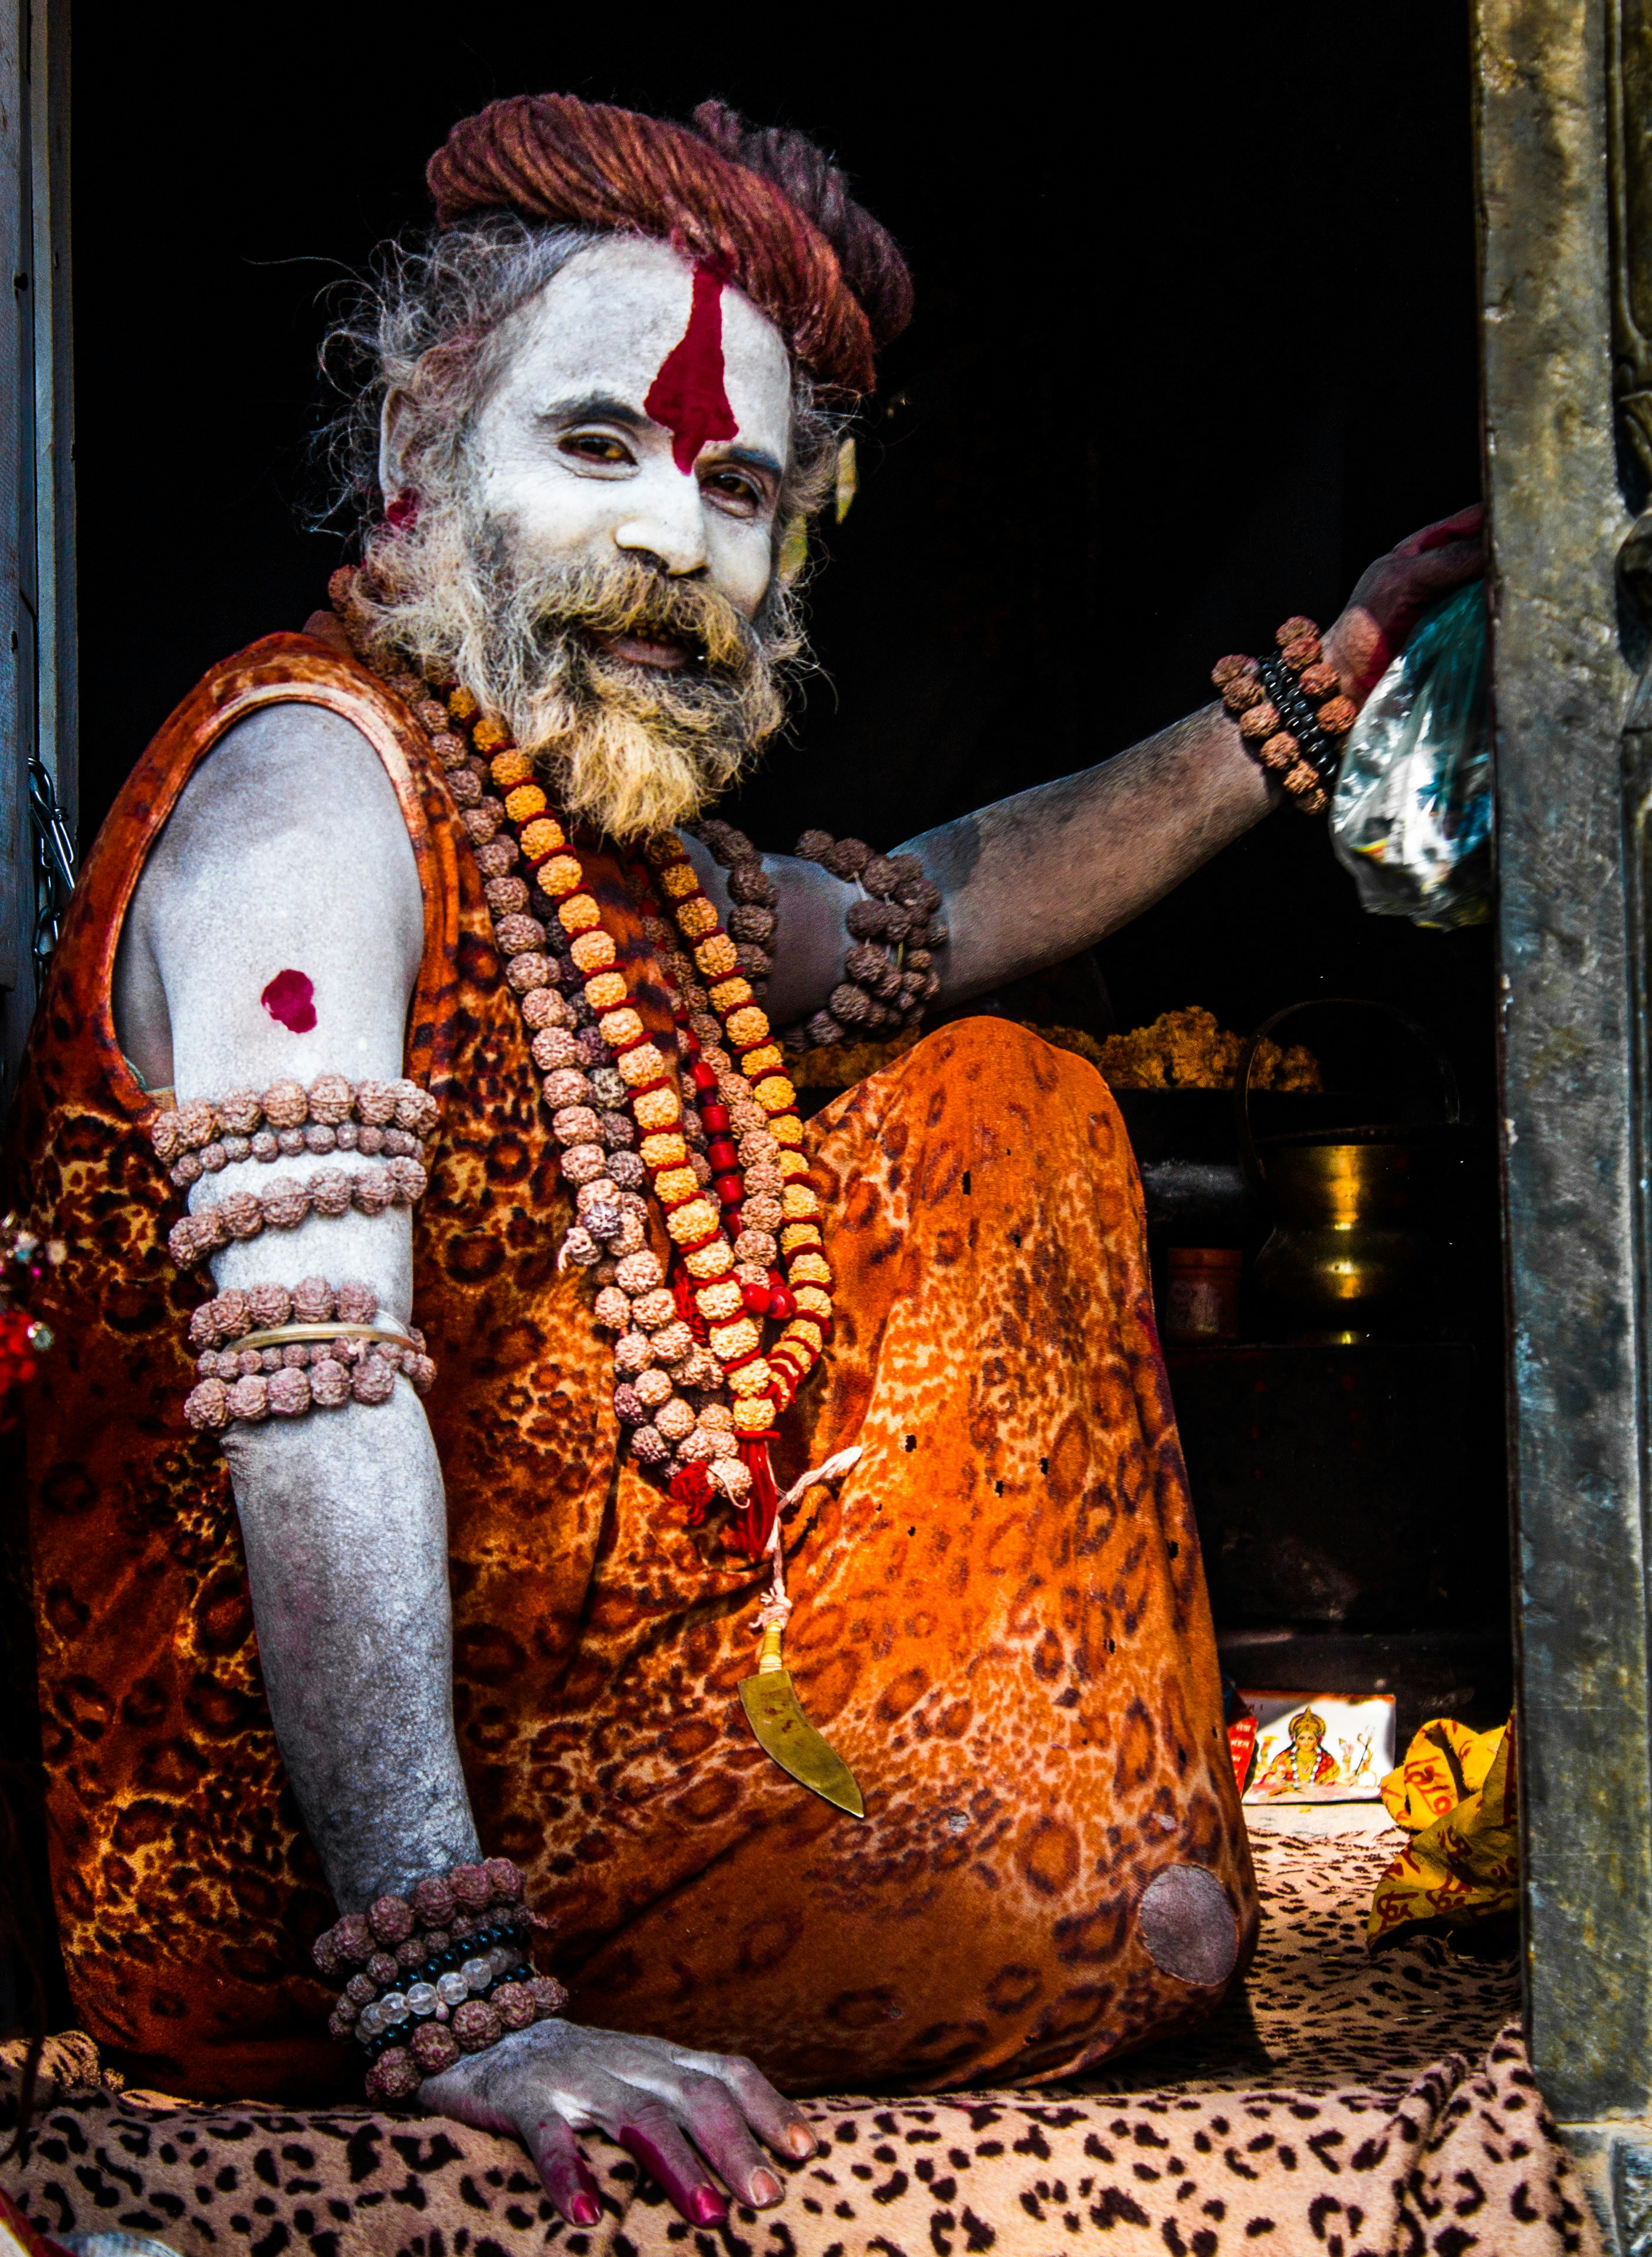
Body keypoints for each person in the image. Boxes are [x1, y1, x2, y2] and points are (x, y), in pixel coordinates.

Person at [2, 90, 1483, 2231]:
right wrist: (463, 2001)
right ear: (418, 453)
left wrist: (1306, 700)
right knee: (1133, 1931)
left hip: (608, 1735)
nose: (674, 548)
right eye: (594, 447)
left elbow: (940, 914)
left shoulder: (609, 857)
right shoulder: (310, 804)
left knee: (995, 1109)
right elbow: (311, 1402)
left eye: (736, 485)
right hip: (314, 1893)